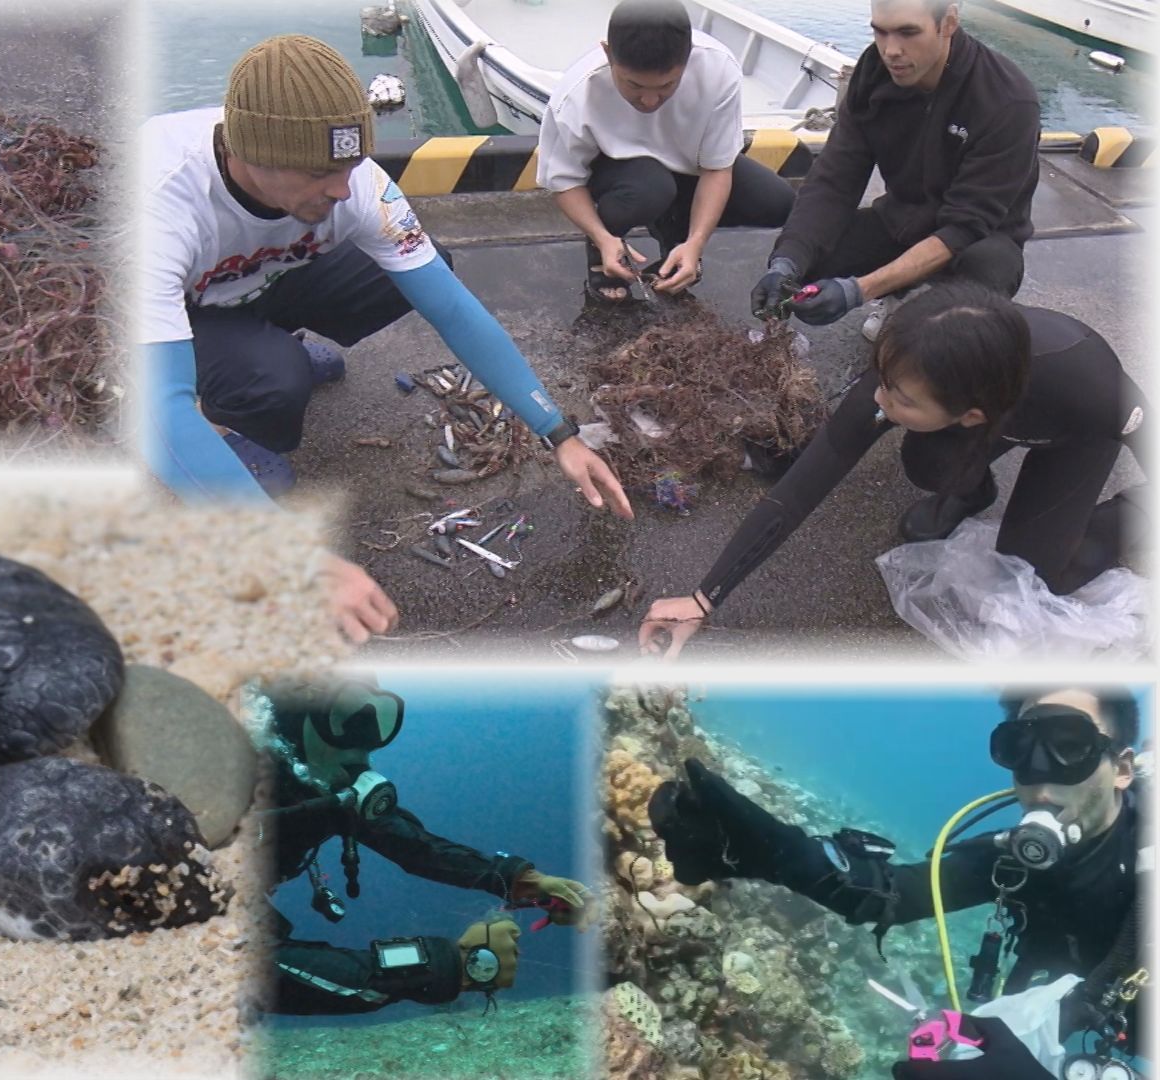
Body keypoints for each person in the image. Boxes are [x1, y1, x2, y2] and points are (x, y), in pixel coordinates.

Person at [139, 35, 633, 643]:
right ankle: (232, 410)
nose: (344, 189)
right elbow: (156, 406)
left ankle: (270, 341)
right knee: (271, 385)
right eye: (322, 173)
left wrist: (558, 431)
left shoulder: (353, 183)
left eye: (349, 167)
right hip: (183, 314)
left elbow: (451, 311)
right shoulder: (158, 205)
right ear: (250, 154)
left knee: (424, 269)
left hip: (257, 273)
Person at [648, 687, 1149, 1076]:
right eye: (1021, 748)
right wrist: (767, 852)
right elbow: (896, 893)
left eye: (1069, 746)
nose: (1040, 776)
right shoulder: (1014, 858)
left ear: (1122, 768)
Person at [638, 283, 1146, 659]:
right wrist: (705, 597)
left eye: (898, 398)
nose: (878, 401)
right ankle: (969, 492)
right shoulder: (905, 372)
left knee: (1033, 581)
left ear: (970, 416)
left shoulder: (1091, 386)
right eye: (882, 380)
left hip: (1071, 435)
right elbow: (797, 492)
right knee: (927, 463)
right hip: (978, 415)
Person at [254, 677, 591, 1014]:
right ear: (290, 717)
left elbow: (415, 847)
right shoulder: (216, 797)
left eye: (378, 721)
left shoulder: (318, 786)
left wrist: (520, 881)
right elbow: (223, 965)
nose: (365, 744)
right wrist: (449, 966)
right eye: (343, 718)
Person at [749, 0, 1040, 341]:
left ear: (948, 23)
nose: (891, 51)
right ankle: (901, 293)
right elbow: (834, 180)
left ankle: (919, 306)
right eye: (880, 31)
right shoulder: (873, 70)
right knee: (804, 259)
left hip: (981, 240)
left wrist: (859, 290)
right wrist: (786, 262)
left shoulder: (1007, 100)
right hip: (901, 219)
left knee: (971, 306)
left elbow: (964, 228)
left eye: (907, 32)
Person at [538, 0, 795, 304]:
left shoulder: (718, 70)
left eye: (666, 86)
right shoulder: (575, 94)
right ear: (608, 54)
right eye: (634, 85)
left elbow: (717, 168)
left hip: (688, 164)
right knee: (649, 188)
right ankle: (605, 251)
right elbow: (564, 181)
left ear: (689, 57)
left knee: (779, 202)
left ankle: (675, 235)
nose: (649, 100)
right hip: (616, 170)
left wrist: (696, 242)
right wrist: (601, 235)